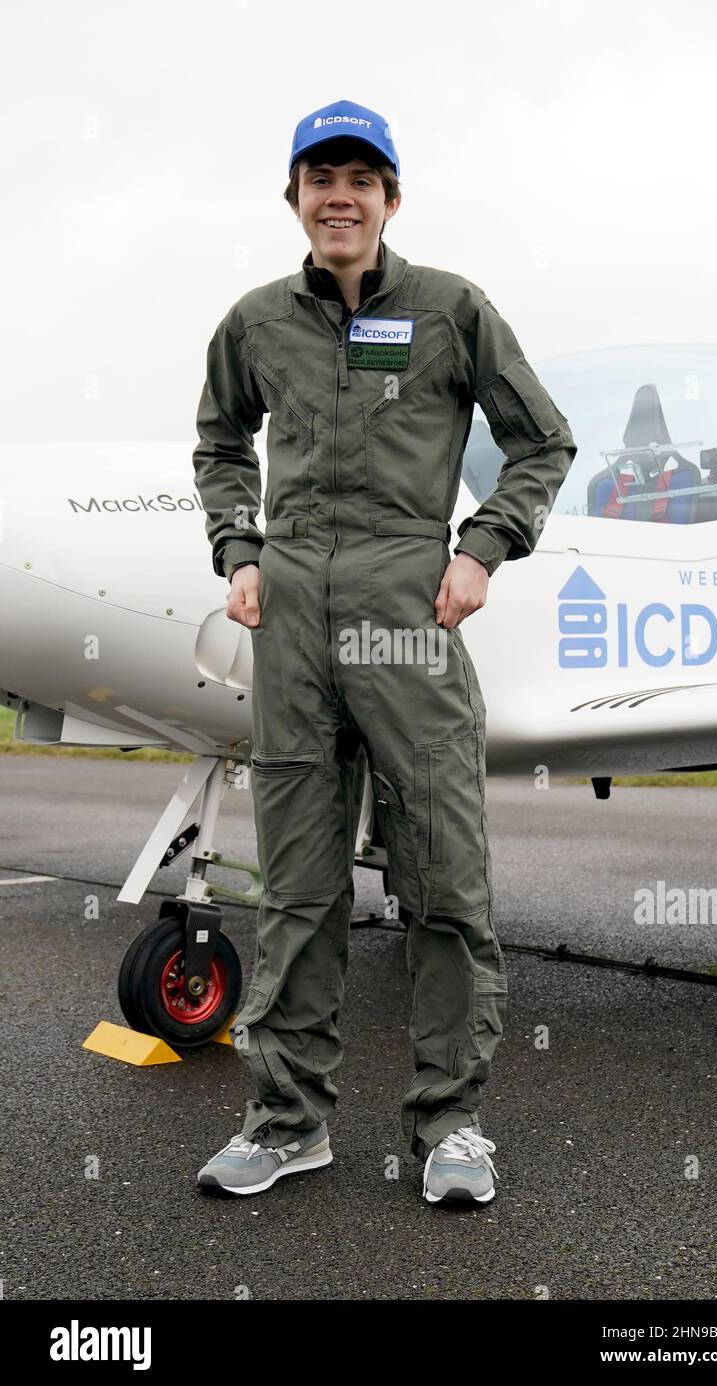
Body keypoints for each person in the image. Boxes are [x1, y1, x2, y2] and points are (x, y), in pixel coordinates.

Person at [192, 99, 577, 1204]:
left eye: (361, 177)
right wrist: (239, 547)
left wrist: (483, 549)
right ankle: (285, 1121)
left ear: (390, 198)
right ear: (296, 199)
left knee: (442, 880)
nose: (340, 195)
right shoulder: (255, 322)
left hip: (410, 615)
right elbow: (219, 441)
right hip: (291, 630)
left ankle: (450, 1126)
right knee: (299, 887)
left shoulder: (451, 309)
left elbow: (539, 438)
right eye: (321, 177)